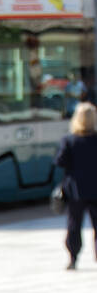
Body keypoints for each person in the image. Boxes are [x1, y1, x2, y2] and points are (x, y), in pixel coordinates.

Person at [53, 101, 97, 270]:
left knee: (74, 224)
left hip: (75, 190)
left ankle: (73, 258)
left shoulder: (69, 140)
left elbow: (59, 161)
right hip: (95, 188)